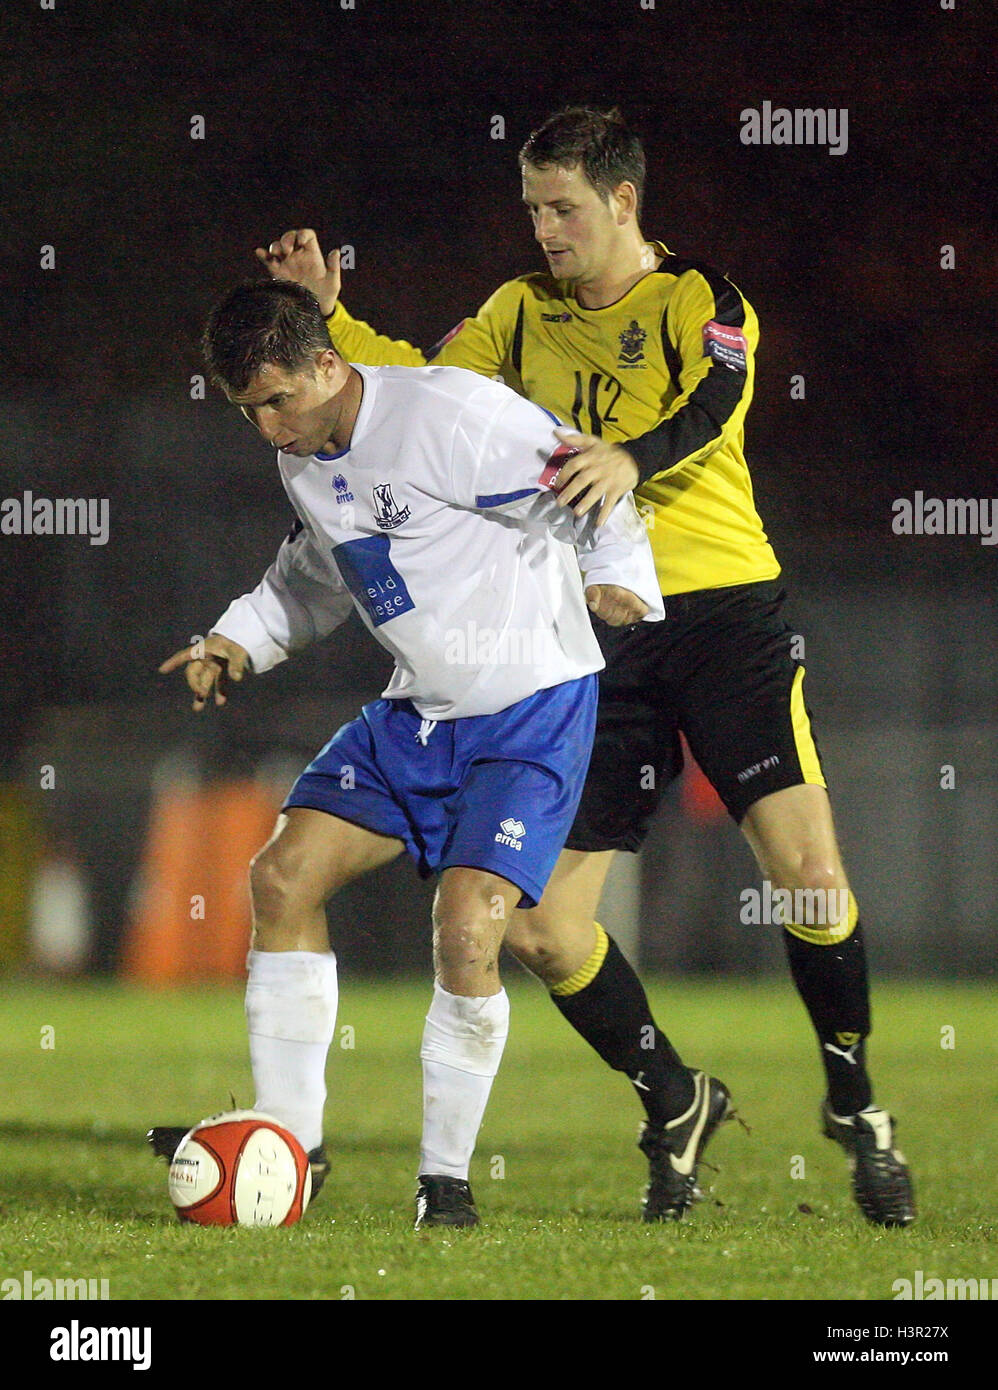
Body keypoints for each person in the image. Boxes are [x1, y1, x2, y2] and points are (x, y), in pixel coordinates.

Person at [256, 105, 915, 1227]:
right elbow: (422, 394)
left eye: (562, 208)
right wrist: (333, 321)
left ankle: (853, 1101)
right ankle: (673, 1095)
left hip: (721, 615)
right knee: (539, 929)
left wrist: (630, 458)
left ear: (622, 202)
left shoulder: (697, 298)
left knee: (806, 875)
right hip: (588, 634)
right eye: (531, 209)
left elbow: (716, 405)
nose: (545, 230)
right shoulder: (518, 313)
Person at [149, 277, 663, 1229]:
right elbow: (317, 571)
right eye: (248, 409)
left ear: (329, 365)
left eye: (277, 401)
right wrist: (236, 638)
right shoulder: (305, 455)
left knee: (470, 928)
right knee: (282, 876)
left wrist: (618, 574)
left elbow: (587, 474)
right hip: (418, 714)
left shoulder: (449, 413)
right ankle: (291, 1145)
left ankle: (445, 1183)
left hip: (528, 708)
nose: (267, 427)